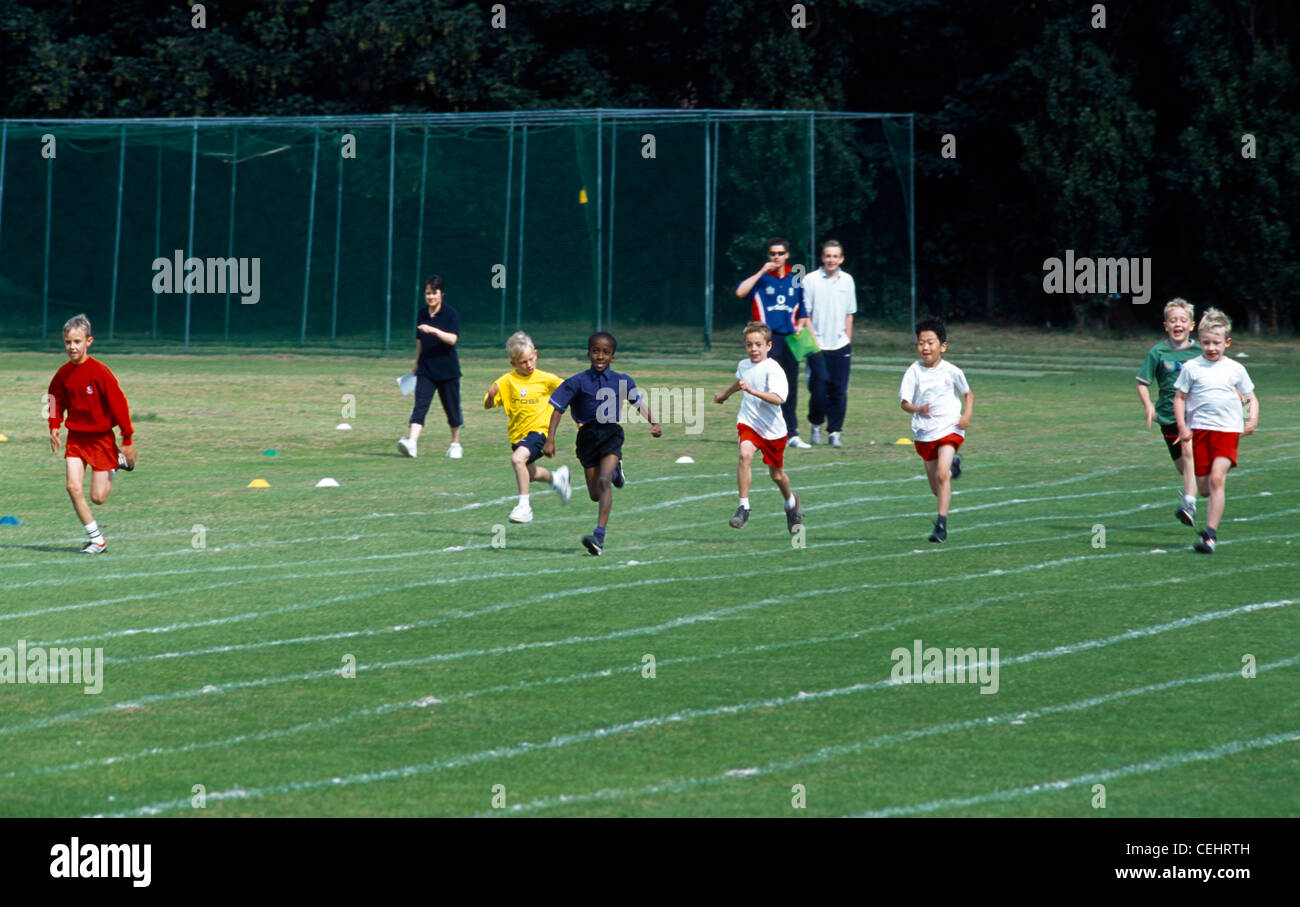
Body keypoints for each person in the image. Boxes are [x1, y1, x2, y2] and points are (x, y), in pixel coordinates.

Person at [544, 331, 660, 556]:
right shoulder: (576, 381)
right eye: (596, 351)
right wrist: (550, 439)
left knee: (604, 482)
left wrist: (654, 423)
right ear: (588, 353)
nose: (600, 356)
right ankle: (616, 473)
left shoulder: (622, 380)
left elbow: (638, 402)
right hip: (586, 438)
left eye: (606, 352)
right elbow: (558, 409)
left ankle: (599, 537)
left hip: (610, 433)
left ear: (613, 357)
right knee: (595, 494)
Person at [46, 314, 136, 554]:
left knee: (98, 497)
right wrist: (54, 426)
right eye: (68, 342)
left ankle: (116, 461)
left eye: (77, 341)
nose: (72, 347)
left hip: (101, 440)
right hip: (76, 438)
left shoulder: (99, 372)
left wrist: (127, 438)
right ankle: (97, 540)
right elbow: (54, 399)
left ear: (89, 341)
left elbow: (119, 405)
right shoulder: (63, 374)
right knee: (72, 487)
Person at [1173, 307, 1259, 554]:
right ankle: (1200, 504)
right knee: (1203, 488)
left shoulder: (1235, 369)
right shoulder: (1191, 367)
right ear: (1199, 342)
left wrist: (1252, 419)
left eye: (1216, 343)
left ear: (1227, 342)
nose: (1211, 348)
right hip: (1200, 431)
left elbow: (1251, 397)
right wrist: (1183, 426)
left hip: (1227, 431)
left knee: (1217, 478)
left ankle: (1209, 536)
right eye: (1206, 343)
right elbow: (1180, 398)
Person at [714, 322, 803, 534]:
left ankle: (791, 503)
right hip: (749, 422)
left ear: (768, 346)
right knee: (744, 454)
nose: (753, 349)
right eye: (749, 345)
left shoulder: (774, 370)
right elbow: (740, 381)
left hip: (773, 430)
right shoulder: (744, 365)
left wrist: (753, 391)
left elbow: (778, 399)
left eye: (758, 345)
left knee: (776, 475)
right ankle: (743, 507)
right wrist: (725, 395)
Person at [483, 331, 572, 524]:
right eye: (523, 362)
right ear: (514, 364)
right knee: (530, 474)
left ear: (536, 354)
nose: (529, 365)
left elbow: (569, 390)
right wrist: (491, 397)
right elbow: (490, 404)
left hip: (540, 432)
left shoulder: (546, 379)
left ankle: (524, 507)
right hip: (518, 437)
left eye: (531, 359)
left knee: (517, 459)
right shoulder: (506, 382)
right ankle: (557, 479)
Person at [899, 317, 973, 543]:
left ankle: (941, 526)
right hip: (924, 433)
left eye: (931, 342)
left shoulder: (952, 371)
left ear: (942, 346)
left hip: (950, 427)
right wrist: (918, 408)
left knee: (942, 475)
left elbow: (968, 394)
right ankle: (953, 464)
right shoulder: (914, 371)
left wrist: (966, 415)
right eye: (921, 343)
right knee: (936, 487)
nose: (925, 347)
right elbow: (904, 402)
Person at [735, 237, 812, 449]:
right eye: (772, 253)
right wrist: (761, 271)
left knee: (789, 387)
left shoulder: (794, 278)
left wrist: (801, 326)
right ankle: (757, 430)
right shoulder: (761, 279)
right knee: (764, 386)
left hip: (790, 339)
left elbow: (803, 311)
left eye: (780, 253)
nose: (776, 257)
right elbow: (740, 292)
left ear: (787, 255)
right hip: (767, 340)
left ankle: (792, 433)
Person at [1136, 298, 1201, 525]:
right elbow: (1142, 383)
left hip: (1195, 416)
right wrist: (1148, 405)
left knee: (1189, 450)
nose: (1178, 324)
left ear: (1191, 325)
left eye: (1183, 320)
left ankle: (1189, 504)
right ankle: (1194, 492)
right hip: (1168, 417)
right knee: (1185, 469)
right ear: (1166, 325)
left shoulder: (1202, 351)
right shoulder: (1157, 352)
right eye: (1173, 320)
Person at [398, 275, 463, 459]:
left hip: (448, 370)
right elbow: (420, 341)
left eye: (434, 293)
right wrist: (416, 363)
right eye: (428, 293)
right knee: (420, 406)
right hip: (426, 369)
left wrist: (434, 330)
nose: (431, 297)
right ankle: (412, 443)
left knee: (452, 409)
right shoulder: (421, 314)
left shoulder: (451, 314)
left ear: (442, 293)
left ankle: (455, 444)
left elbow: (452, 339)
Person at [803, 239, 858, 447]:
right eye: (827, 256)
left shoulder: (848, 281)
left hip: (840, 346)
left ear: (841, 259)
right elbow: (806, 314)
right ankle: (816, 424)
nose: (831, 260)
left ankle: (835, 431)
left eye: (835, 256)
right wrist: (813, 342)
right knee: (818, 391)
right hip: (817, 346)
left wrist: (848, 342)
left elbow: (850, 315)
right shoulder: (810, 280)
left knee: (839, 391)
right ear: (822, 257)